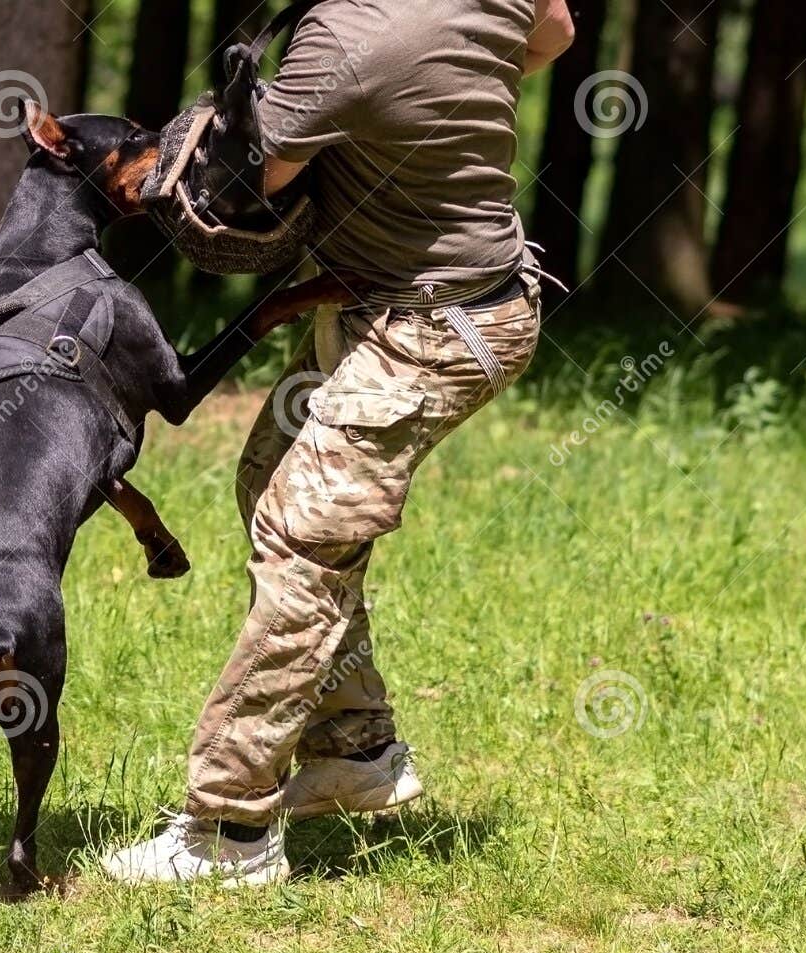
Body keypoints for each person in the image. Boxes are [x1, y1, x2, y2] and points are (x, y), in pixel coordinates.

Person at [101, 0, 576, 884]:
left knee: (300, 539)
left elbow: (251, 187)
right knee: (269, 475)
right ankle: (355, 750)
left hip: (431, 331)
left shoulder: (349, 40)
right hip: (426, 297)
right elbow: (552, 33)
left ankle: (229, 829)